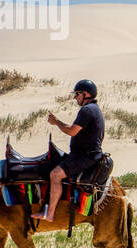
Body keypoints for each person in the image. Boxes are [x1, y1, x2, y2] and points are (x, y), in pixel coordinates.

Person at [33, 79, 105, 223]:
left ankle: (50, 214)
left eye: (77, 94)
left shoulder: (87, 110)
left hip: (85, 157)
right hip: (87, 155)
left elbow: (72, 131)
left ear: (86, 94)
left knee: (55, 175)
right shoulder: (94, 109)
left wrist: (56, 122)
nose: (75, 97)